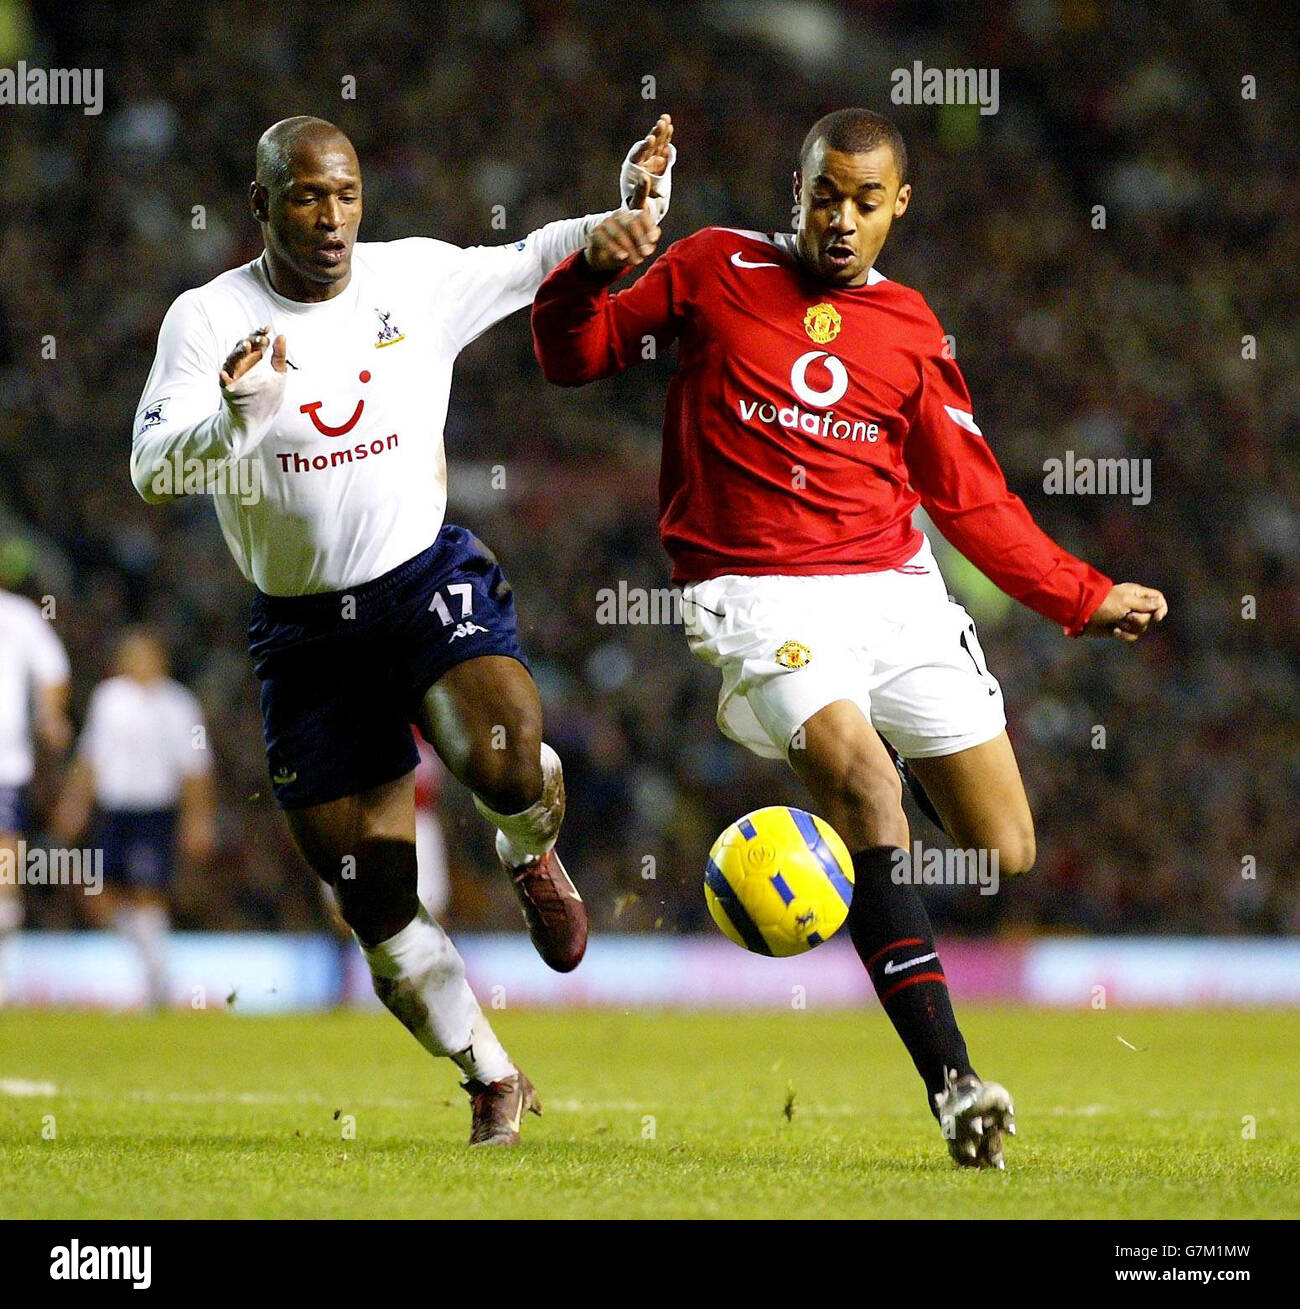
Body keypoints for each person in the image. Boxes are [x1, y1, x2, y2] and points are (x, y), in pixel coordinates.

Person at [531, 107, 1167, 1168]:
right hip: (758, 596)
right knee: (870, 790)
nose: (840, 219)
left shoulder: (914, 329)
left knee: (1003, 845)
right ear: (797, 187)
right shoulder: (709, 266)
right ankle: (955, 1084)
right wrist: (584, 271)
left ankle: (869, 831)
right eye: (825, 195)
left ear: (897, 208)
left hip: (893, 592)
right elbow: (574, 356)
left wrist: (1080, 594)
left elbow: (971, 501)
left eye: (865, 203)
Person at [130, 113, 676, 1144]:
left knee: (510, 758)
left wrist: (621, 214)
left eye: (344, 194)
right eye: (304, 196)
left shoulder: (412, 279)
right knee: (372, 896)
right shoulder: (206, 319)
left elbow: (530, 259)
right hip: (302, 633)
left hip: (421, 581)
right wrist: (232, 422)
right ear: (260, 206)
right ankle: (490, 1074)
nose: (330, 217)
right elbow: (151, 468)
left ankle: (527, 851)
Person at [53, 628, 216, 1008]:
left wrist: (198, 819)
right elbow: (90, 756)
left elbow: (196, 768)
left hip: (154, 811)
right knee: (94, 891)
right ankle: (153, 963)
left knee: (147, 893)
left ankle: (155, 983)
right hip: (112, 810)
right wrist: (75, 803)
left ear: (160, 659)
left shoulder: (180, 705)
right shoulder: (108, 698)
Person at [0, 584, 71, 1005]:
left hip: (4, 762)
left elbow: (52, 670)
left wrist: (51, 716)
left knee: (4, 866)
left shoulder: (18, 615)